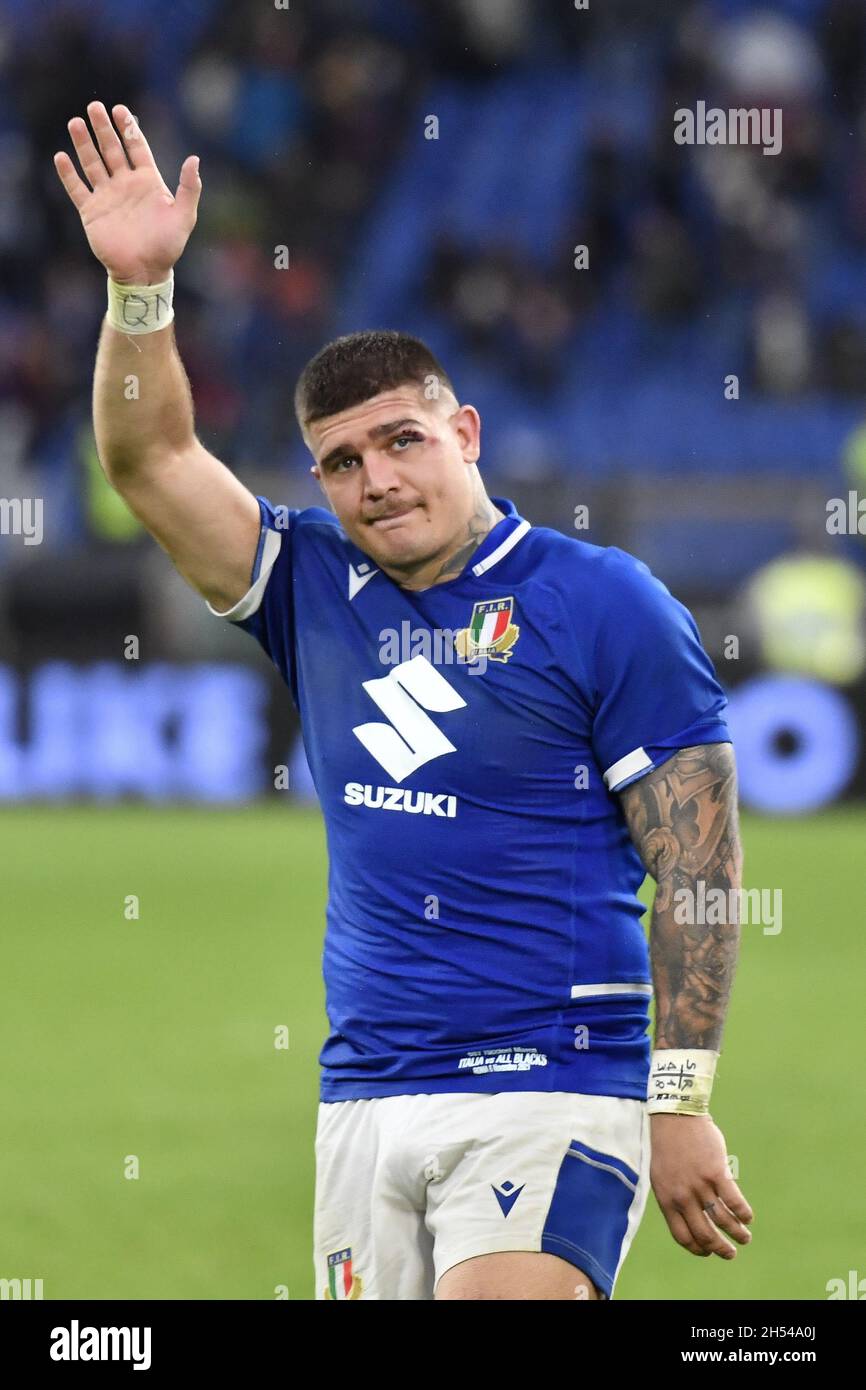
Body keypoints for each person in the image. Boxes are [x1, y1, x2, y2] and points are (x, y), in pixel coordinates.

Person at [54, 101, 754, 1301]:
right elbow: (151, 461)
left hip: (555, 1081)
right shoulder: (307, 587)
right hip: (365, 1096)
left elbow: (698, 863)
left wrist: (677, 1101)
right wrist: (141, 294)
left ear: (465, 433)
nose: (375, 481)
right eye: (340, 461)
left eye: (402, 441)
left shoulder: (604, 602)